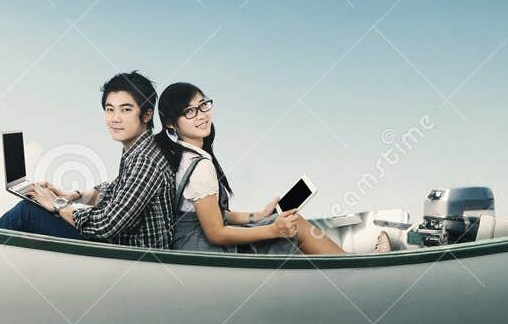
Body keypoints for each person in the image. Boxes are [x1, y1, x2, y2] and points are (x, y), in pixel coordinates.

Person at [156, 82, 378, 255]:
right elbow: (215, 232)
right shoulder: (200, 166)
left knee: (284, 224)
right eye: (189, 112)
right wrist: (272, 230)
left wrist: (258, 216)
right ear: (171, 124)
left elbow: (211, 214)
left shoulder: (181, 156)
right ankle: (353, 267)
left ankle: (336, 261)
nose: (202, 115)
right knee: (295, 224)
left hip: (193, 244)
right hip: (206, 251)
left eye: (203, 105)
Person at [0, 72, 176, 248]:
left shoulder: (146, 160)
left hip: (130, 255)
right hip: (121, 244)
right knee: (34, 208)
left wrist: (57, 205)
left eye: (126, 110)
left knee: (27, 212)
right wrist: (71, 195)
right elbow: (113, 192)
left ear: (147, 114)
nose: (115, 119)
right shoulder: (138, 150)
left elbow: (106, 225)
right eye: (110, 110)